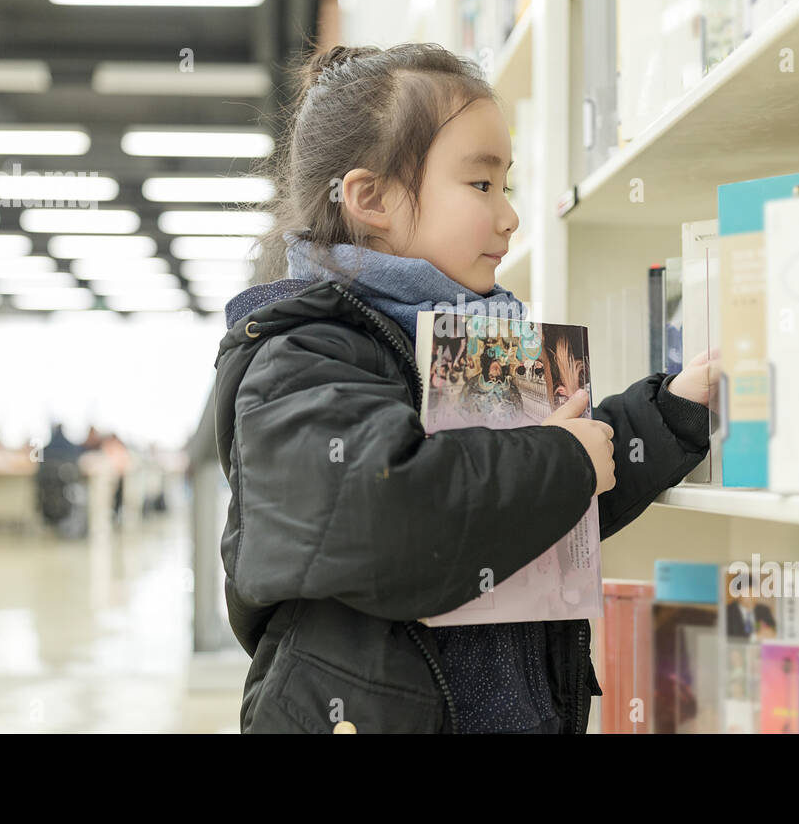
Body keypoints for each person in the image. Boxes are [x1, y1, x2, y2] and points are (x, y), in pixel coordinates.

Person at [212, 43, 719, 735]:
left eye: (507, 184)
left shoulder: (474, 337)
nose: (509, 216)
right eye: (482, 186)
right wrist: (563, 461)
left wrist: (669, 413)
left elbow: (537, 506)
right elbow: (393, 509)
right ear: (372, 198)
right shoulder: (299, 356)